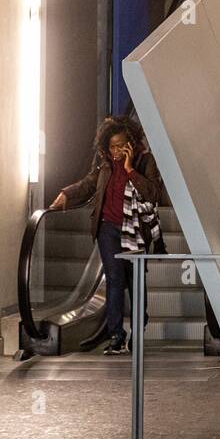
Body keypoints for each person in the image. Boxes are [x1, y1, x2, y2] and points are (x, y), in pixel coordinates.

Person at [50, 115, 165, 354]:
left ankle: (137, 331)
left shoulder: (145, 161)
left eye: (121, 145)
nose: (116, 151)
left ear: (130, 143)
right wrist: (66, 194)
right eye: (112, 146)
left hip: (133, 231)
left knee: (135, 282)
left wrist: (130, 169)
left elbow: (153, 193)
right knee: (114, 280)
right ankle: (115, 334)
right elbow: (89, 184)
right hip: (108, 229)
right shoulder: (104, 165)